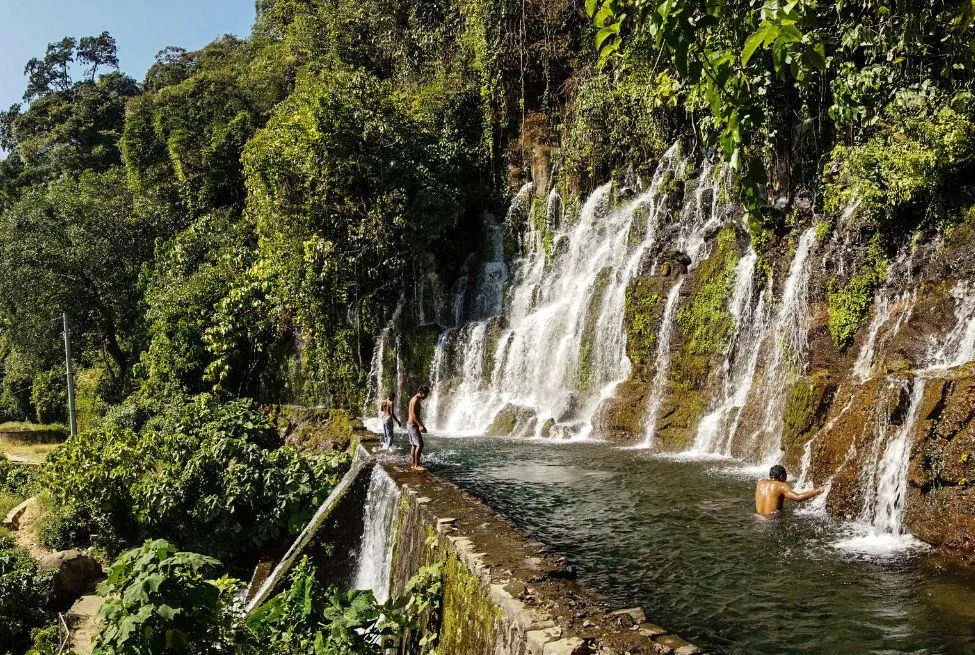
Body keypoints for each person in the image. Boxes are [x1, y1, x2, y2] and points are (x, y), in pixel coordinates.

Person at [754, 465, 825, 516]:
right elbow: (798, 498)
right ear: (782, 476)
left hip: (758, 518)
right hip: (771, 520)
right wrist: (817, 490)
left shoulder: (760, 483)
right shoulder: (780, 485)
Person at [407, 385, 430, 471]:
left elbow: (415, 414)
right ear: (420, 392)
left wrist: (421, 424)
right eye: (425, 394)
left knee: (414, 444)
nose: (426, 396)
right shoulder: (415, 400)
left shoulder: (415, 399)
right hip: (413, 425)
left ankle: (413, 463)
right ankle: (417, 465)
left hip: (410, 424)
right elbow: (413, 414)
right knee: (420, 445)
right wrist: (419, 425)